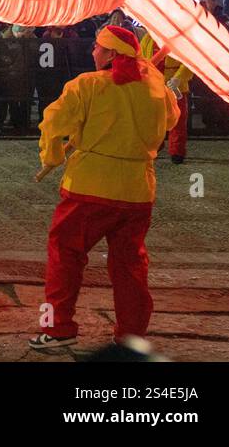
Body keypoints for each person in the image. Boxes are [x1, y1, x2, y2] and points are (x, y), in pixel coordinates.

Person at [30, 25, 179, 350]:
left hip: (89, 188)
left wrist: (52, 155)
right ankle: (131, 335)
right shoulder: (154, 84)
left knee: (65, 254)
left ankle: (59, 328)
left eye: (98, 47)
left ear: (111, 54)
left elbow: (52, 123)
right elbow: (171, 119)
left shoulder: (88, 85)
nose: (92, 51)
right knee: (130, 265)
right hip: (138, 190)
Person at [139, 31, 192, 164]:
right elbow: (141, 60)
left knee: (178, 119)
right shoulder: (147, 38)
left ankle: (177, 151)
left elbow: (189, 62)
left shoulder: (180, 40)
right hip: (154, 85)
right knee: (154, 119)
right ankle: (156, 145)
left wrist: (178, 79)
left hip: (174, 85)